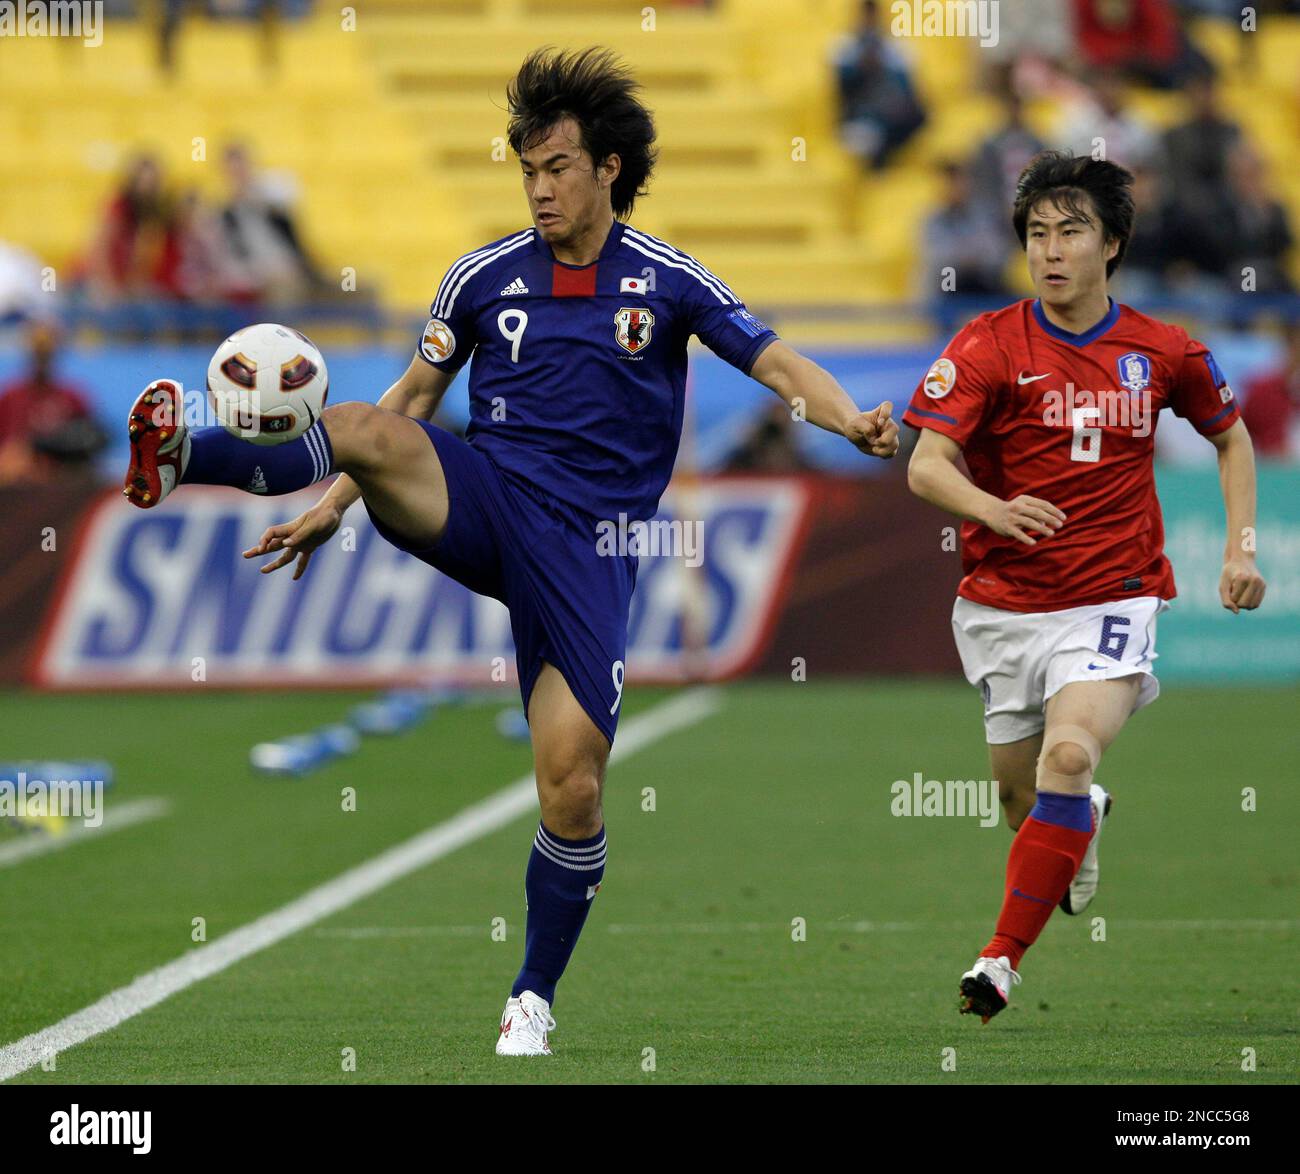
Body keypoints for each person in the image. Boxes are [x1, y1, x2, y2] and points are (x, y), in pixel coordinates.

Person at [120, 47, 900, 1054]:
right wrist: (333, 506)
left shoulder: (666, 281)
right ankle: (185, 451)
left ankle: (532, 993)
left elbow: (775, 359)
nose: (539, 187)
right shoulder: (483, 278)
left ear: (607, 166)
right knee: (366, 422)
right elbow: (409, 406)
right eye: (526, 169)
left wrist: (849, 422)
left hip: (589, 546)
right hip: (485, 496)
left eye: (558, 166)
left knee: (571, 786)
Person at [903, 151, 1265, 1022]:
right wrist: (993, 508)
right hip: (1002, 606)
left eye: (1071, 232)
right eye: (1036, 233)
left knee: (1068, 754)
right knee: (1022, 796)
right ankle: (1079, 819)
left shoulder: (1163, 347)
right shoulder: (988, 342)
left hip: (1115, 593)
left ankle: (999, 960)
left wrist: (1241, 550)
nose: (1050, 249)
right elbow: (925, 466)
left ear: (1112, 245)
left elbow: (1234, 438)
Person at [0, 321, 105, 485]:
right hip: (18, 477)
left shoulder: (71, 397)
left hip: (59, 473)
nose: (41, 361)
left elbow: (91, 441)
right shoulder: (10, 396)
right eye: (38, 354)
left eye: (46, 355)